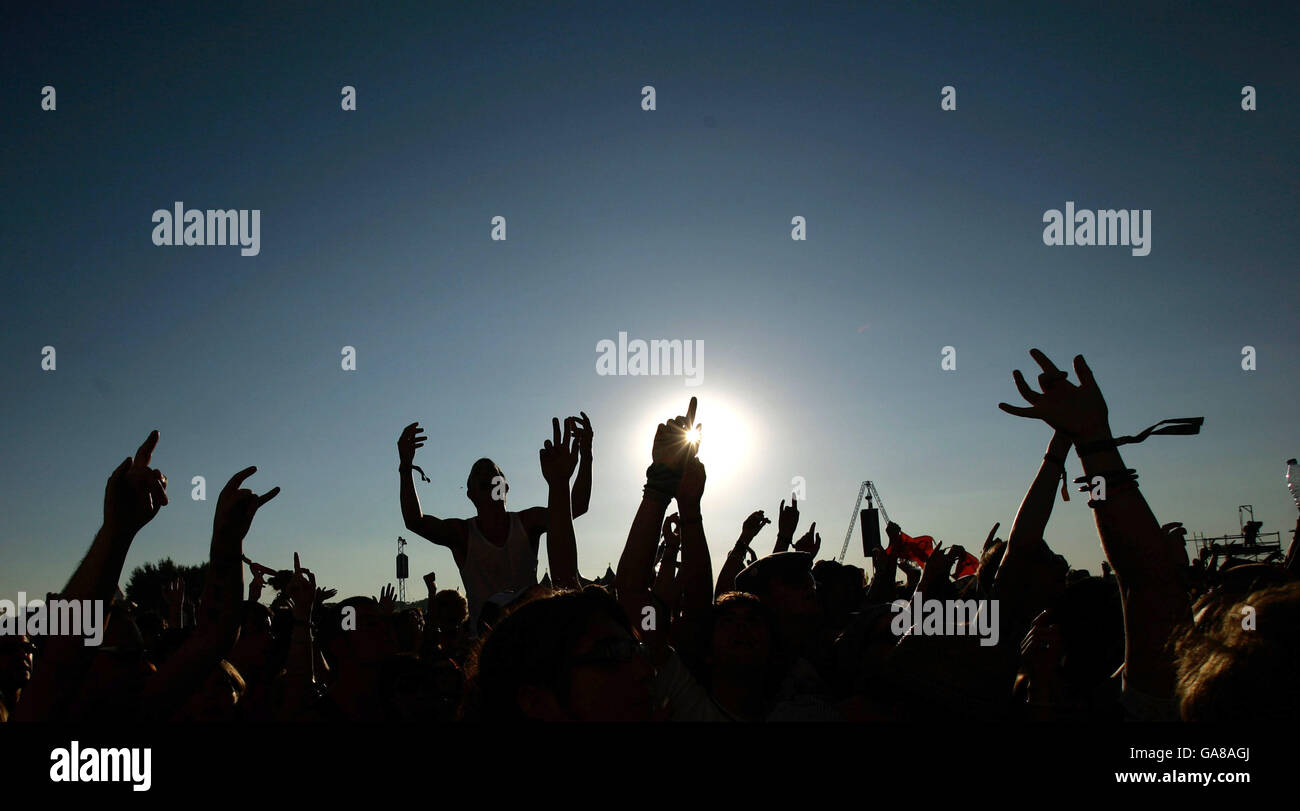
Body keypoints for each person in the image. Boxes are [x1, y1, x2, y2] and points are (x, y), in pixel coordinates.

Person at [397, 414, 593, 632]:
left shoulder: (527, 522)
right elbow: (415, 521)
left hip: (530, 631)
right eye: (480, 476)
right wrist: (405, 467)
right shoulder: (463, 533)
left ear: (506, 487)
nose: (487, 473)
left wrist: (586, 456)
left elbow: (574, 507)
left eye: (495, 476)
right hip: (484, 642)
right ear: (470, 494)